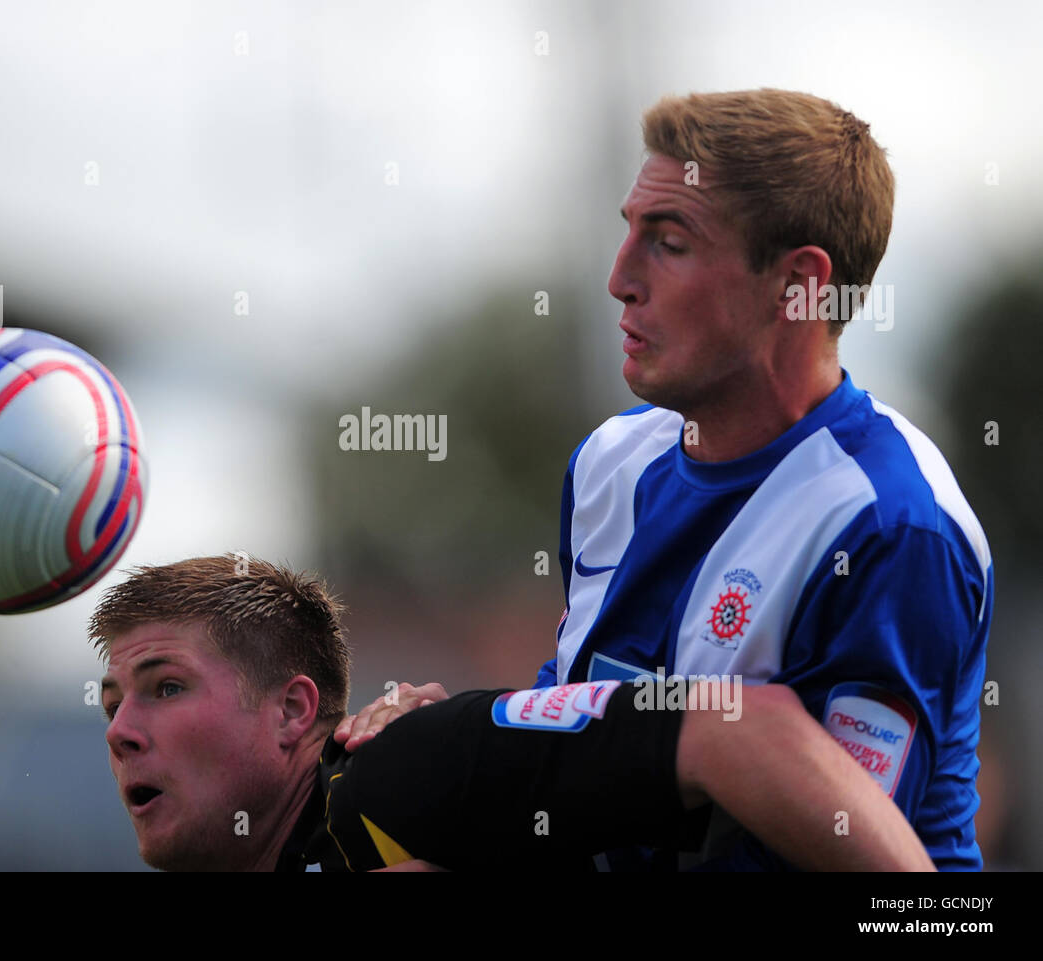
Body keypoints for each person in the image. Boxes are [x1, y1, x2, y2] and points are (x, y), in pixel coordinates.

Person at [339, 89, 993, 871]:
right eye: (628, 234)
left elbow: (843, 859)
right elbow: (589, 764)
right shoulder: (610, 464)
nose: (619, 278)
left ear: (801, 286)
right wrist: (474, 752)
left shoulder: (890, 525)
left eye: (669, 242)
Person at [91, 554, 932, 871]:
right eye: (111, 700)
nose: (122, 729)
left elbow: (743, 723)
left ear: (292, 711)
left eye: (165, 686)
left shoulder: (397, 771)